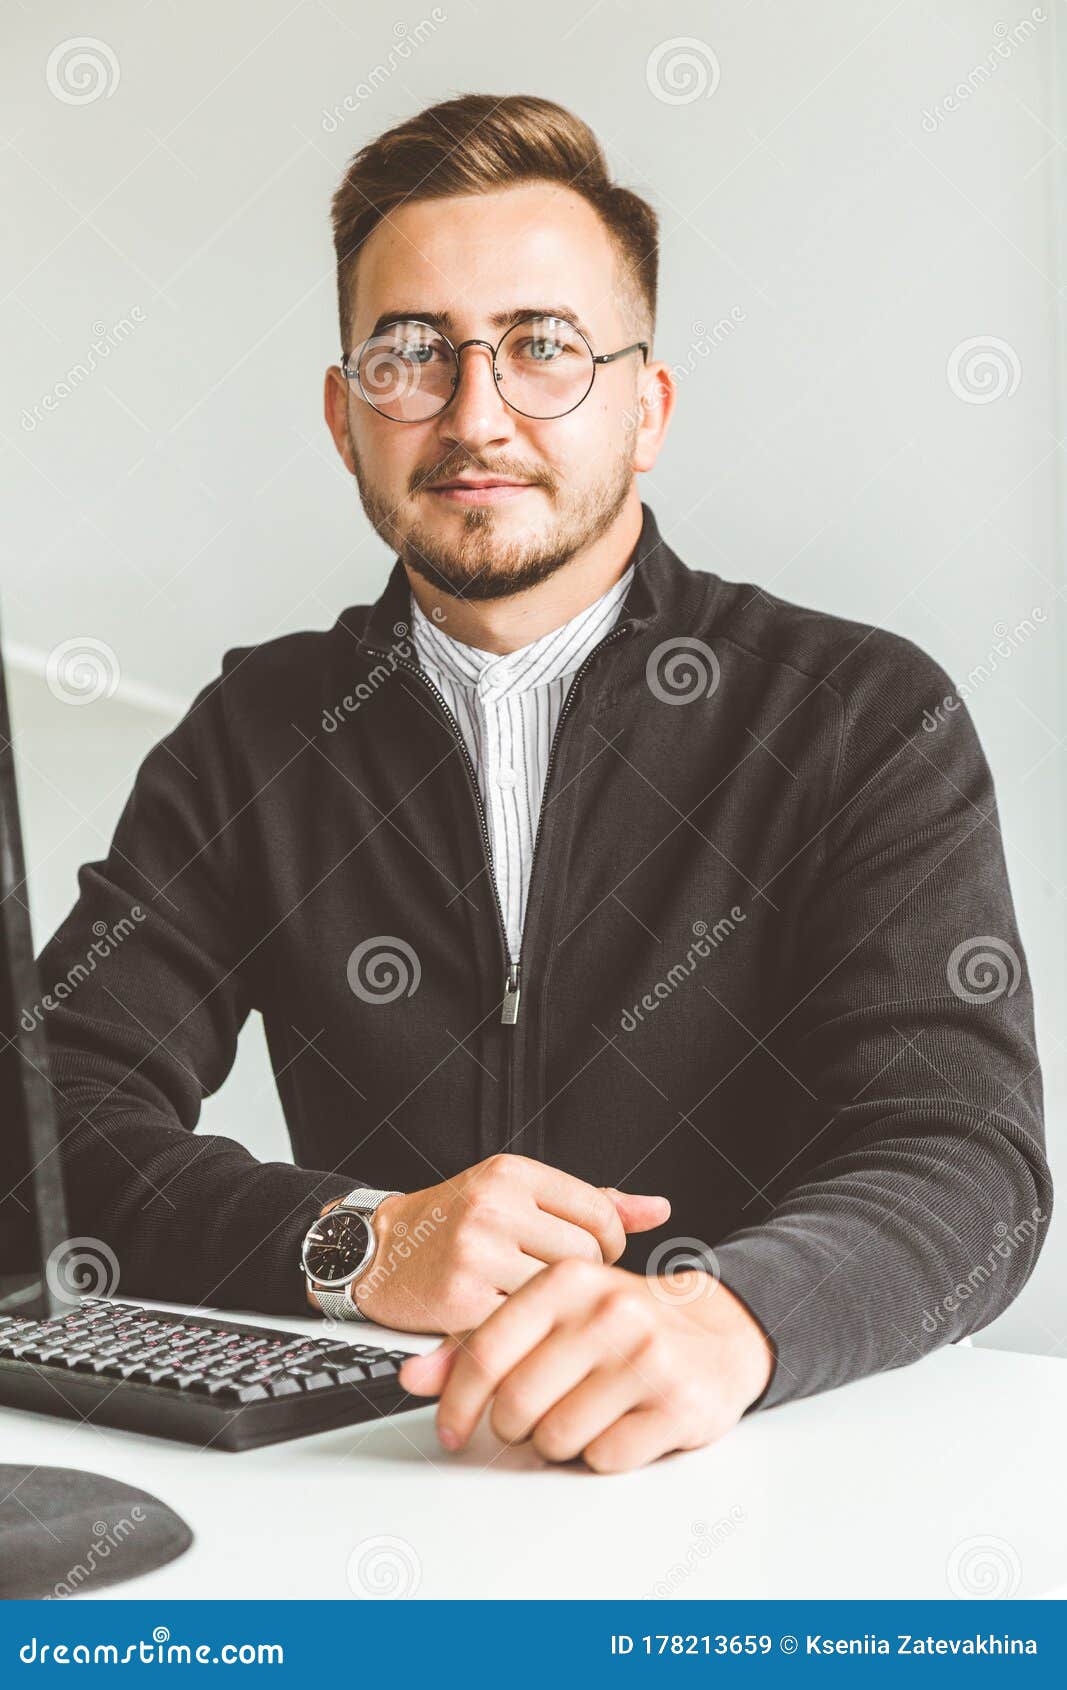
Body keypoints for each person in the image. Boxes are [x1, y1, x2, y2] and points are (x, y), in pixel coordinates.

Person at [36, 94, 1051, 1474]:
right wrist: (354, 1241)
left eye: (543, 347)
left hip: (765, 1475)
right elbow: (42, 1122)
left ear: (646, 408)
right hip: (376, 1477)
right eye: (411, 353)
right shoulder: (257, 735)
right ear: (345, 416)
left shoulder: (861, 716)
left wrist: (726, 1322)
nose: (476, 413)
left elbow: (970, 1160)